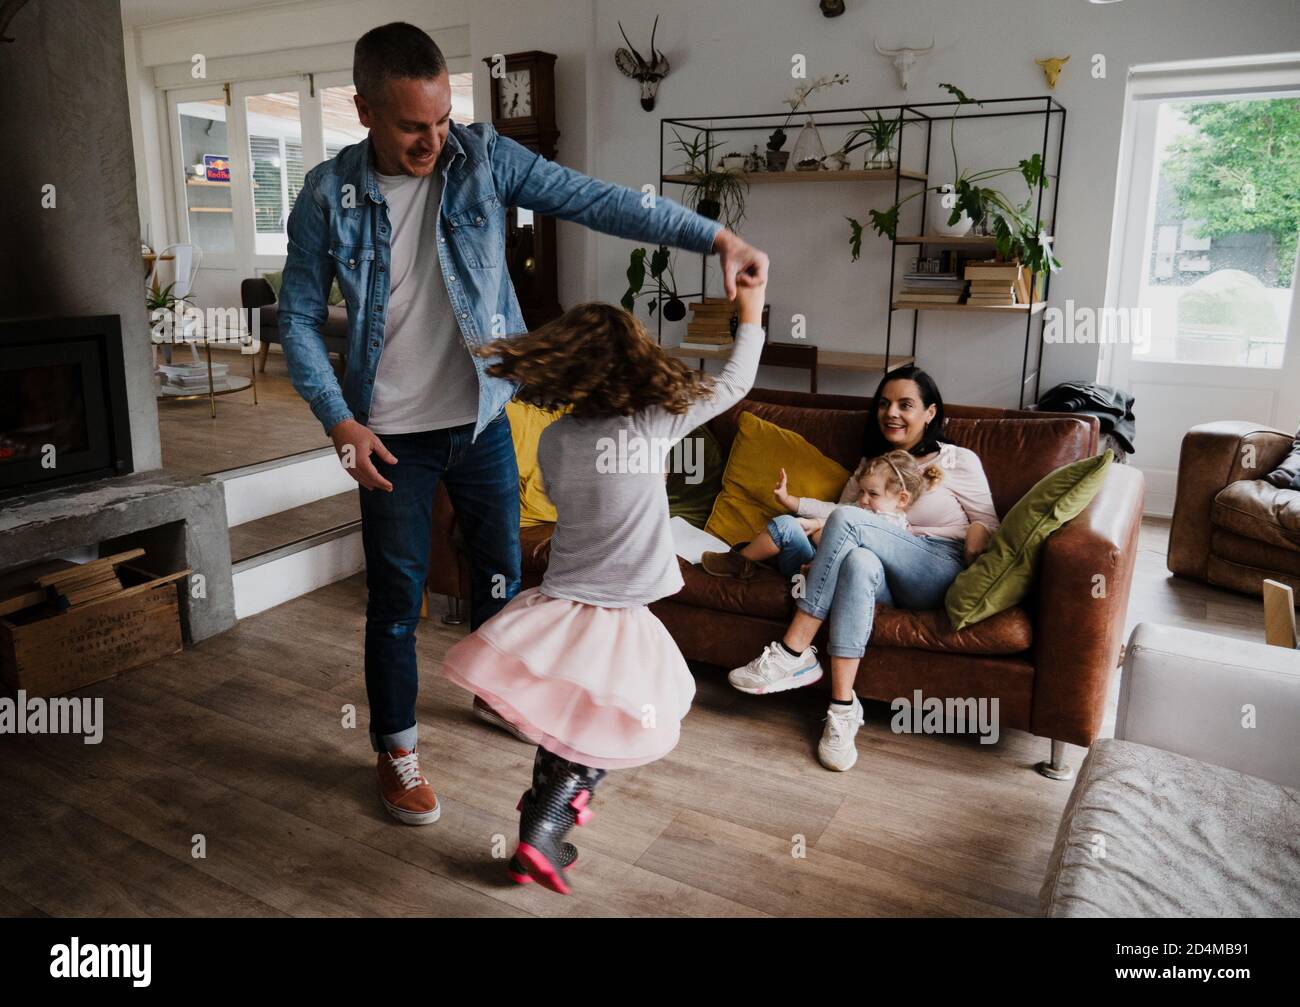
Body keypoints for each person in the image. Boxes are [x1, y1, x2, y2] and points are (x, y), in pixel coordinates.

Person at [277, 22, 768, 826]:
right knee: (396, 598)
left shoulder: (481, 158)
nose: (435, 140)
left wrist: (714, 236)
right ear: (363, 109)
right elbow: (296, 319)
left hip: (481, 422)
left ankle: (497, 695)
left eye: (442, 120)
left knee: (502, 581)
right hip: (390, 437)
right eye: (411, 126)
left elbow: (599, 200)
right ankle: (396, 748)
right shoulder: (327, 196)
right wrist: (338, 418)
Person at [441, 284, 767, 893]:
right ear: (634, 361)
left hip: (562, 593)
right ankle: (552, 813)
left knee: (569, 715)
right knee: (619, 721)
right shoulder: (651, 422)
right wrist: (750, 311)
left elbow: (576, 499)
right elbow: (733, 385)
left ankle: (539, 833)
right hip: (617, 606)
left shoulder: (557, 439)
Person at [727, 366, 998, 772]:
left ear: (930, 413)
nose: (892, 412)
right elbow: (845, 515)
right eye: (884, 403)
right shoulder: (871, 465)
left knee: (846, 525)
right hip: (881, 574)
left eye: (906, 405)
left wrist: (977, 535)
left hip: (933, 565)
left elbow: (990, 522)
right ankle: (841, 709)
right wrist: (799, 509)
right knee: (857, 559)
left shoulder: (958, 461)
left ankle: (794, 650)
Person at [700, 450, 945, 580]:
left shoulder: (891, 528)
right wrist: (789, 500)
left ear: (901, 499)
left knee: (800, 529)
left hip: (831, 575)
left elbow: (852, 546)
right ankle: (741, 562)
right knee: (786, 523)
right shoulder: (860, 507)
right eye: (861, 491)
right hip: (807, 564)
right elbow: (829, 509)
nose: (863, 499)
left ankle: (758, 560)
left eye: (873, 493)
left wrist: (818, 526)